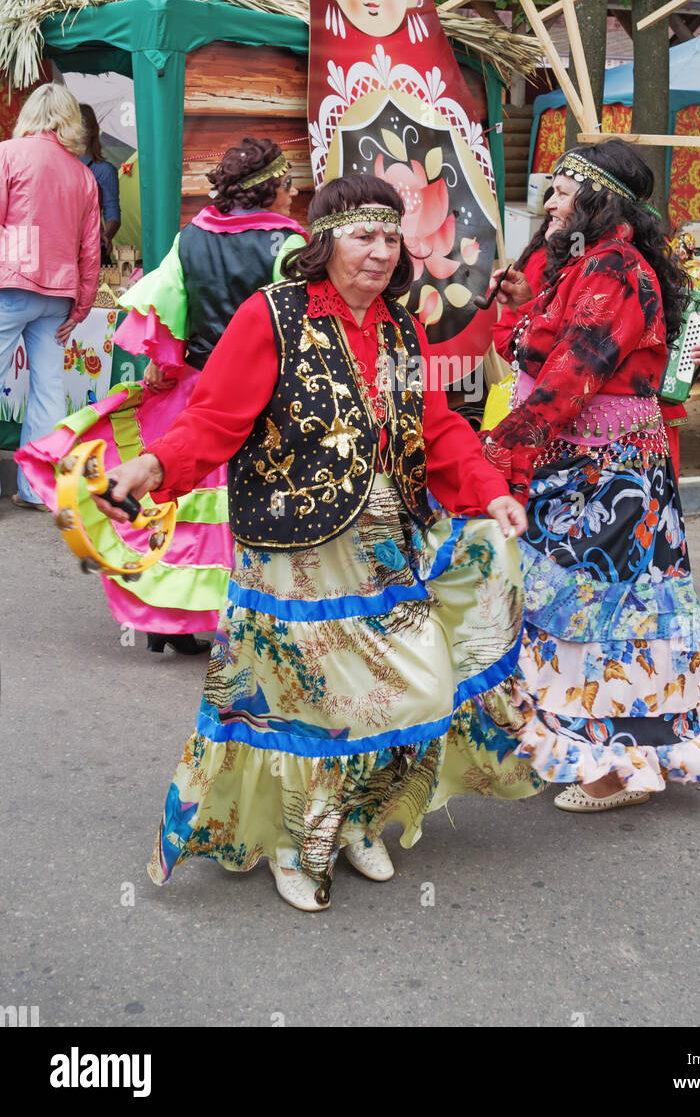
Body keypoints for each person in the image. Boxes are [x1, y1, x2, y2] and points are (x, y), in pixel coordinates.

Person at [93, 174, 542, 911]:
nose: (379, 251)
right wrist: (153, 465)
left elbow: (436, 428)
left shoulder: (401, 328)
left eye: (391, 237)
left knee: (419, 686)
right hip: (292, 552)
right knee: (316, 705)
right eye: (364, 235)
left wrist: (489, 489)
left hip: (384, 543)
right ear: (324, 242)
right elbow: (214, 419)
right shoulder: (271, 317)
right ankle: (298, 838)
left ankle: (359, 813)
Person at [484, 142, 700, 812]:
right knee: (601, 614)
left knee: (601, 616)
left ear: (599, 200)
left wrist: (499, 448)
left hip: (607, 474)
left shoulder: (614, 271)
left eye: (563, 191)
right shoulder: (589, 265)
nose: (550, 203)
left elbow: (573, 375)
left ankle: (613, 772)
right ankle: (603, 754)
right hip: (595, 467)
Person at [18, 137, 307, 653]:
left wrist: (160, 363)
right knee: (237, 511)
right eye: (289, 184)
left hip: (197, 389)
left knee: (186, 504)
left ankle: (165, 620)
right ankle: (239, 622)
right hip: (258, 394)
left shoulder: (191, 237)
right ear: (270, 189)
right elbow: (294, 326)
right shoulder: (288, 246)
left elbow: (165, 311)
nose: (295, 192)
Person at [492, 201, 700, 476]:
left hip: (641, 430)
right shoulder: (553, 258)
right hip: (578, 441)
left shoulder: (635, 261)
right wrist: (529, 309)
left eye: (562, 194)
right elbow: (521, 342)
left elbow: (670, 329)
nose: (551, 204)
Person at [0, 84, 100, 510]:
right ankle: (37, 489)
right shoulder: (83, 174)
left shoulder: (8, 153)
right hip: (58, 296)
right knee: (48, 392)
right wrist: (82, 306)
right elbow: (92, 247)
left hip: (11, 284)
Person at [79, 104, 121, 265]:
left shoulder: (104, 170)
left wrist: (107, 235)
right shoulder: (58, 165)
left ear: (93, 130)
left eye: (82, 126)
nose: (77, 131)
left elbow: (113, 213)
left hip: (93, 250)